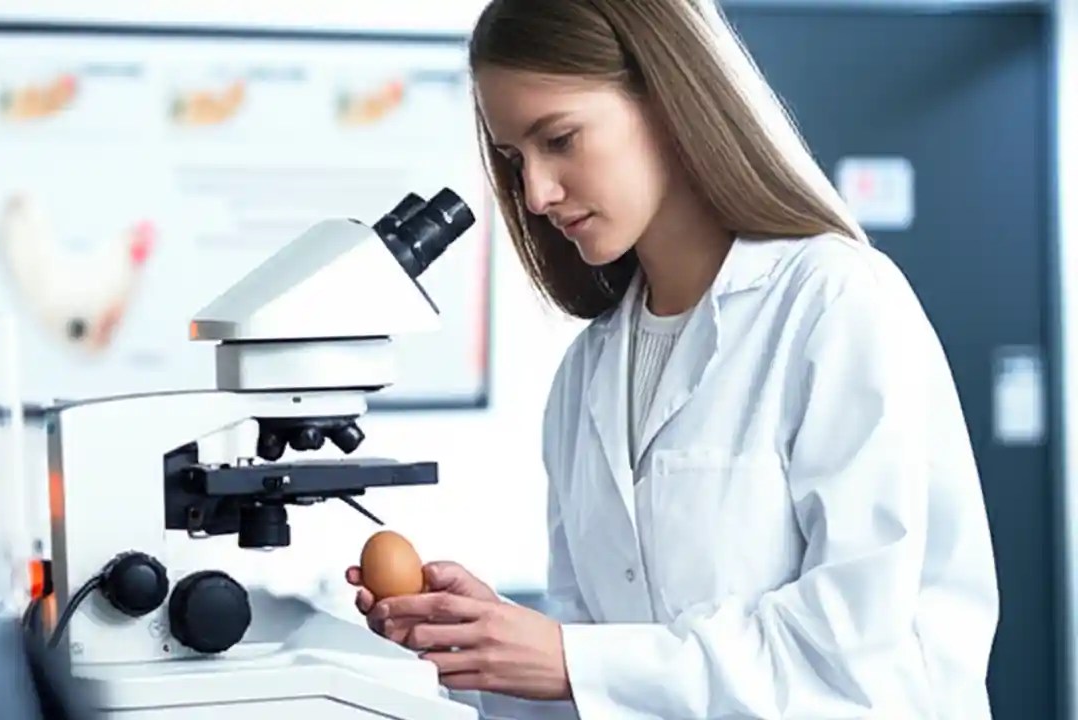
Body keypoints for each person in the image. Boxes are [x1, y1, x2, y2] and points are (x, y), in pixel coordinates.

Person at [345, 0, 1000, 717]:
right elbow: (602, 669)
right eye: (514, 159)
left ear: (666, 99)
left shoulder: (835, 305)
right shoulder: (586, 375)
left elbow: (852, 654)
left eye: (559, 139)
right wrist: (495, 644)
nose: (535, 193)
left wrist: (570, 659)